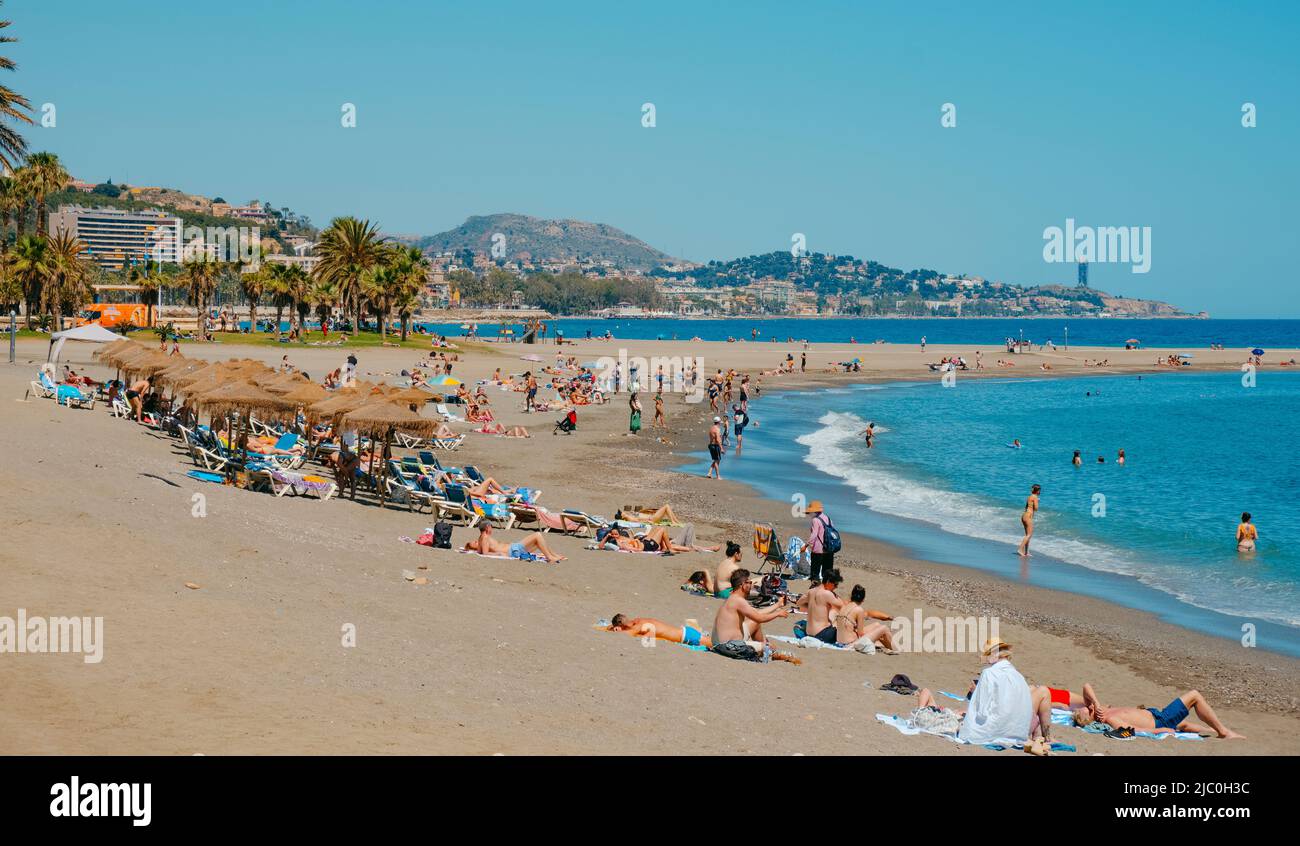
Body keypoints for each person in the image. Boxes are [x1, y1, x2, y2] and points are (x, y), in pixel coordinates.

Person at [1074, 683, 1243, 739]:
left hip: (1154, 713)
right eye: (1087, 710)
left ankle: (1211, 730)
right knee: (1194, 696)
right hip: (1160, 720)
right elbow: (1135, 731)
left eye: (1088, 705)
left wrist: (1095, 702)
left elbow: (1086, 686)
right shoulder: (1110, 720)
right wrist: (1160, 730)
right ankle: (1223, 732)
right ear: (1091, 719)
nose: (1088, 706)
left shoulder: (1100, 709)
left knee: (1183, 725)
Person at [710, 569, 796, 664]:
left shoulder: (734, 598)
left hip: (725, 642)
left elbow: (757, 614)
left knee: (755, 623)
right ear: (742, 585)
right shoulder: (738, 601)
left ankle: (763, 646)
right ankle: (765, 649)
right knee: (771, 647)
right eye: (749, 582)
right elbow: (760, 618)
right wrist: (777, 614)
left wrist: (778, 605)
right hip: (727, 645)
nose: (751, 585)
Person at [958, 638, 1032, 745]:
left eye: (987, 655)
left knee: (963, 728)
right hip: (1019, 733)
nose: (986, 659)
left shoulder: (989, 673)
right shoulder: (1019, 676)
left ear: (995, 655)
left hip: (996, 731)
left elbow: (982, 710)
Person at [461, 524, 566, 563]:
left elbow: (480, 551)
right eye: (491, 527)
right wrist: (498, 554)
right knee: (537, 535)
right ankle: (550, 557)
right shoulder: (484, 538)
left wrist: (471, 548)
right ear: (487, 527)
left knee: (538, 542)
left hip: (513, 549)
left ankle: (553, 555)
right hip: (513, 550)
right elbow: (484, 553)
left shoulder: (483, 539)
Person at [834, 585, 895, 650]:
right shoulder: (859, 610)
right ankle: (896, 649)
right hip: (849, 644)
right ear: (863, 599)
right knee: (884, 628)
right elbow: (861, 633)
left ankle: (890, 646)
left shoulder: (844, 606)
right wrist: (875, 637)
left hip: (839, 643)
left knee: (876, 625)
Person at [607, 614, 711, 648]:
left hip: (686, 637)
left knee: (718, 645)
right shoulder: (639, 620)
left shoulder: (637, 627)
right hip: (686, 632)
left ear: (620, 623)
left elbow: (632, 633)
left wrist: (618, 630)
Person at [798, 569, 845, 644]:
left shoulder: (811, 591)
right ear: (828, 582)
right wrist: (835, 594)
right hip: (822, 634)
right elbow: (844, 608)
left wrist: (811, 608)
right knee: (841, 620)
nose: (836, 587)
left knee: (833, 612)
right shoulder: (827, 594)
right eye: (835, 585)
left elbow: (799, 603)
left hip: (809, 633)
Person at [806, 500, 834, 583]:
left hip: (818, 549)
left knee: (815, 571)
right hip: (829, 548)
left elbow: (814, 535)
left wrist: (806, 545)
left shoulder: (815, 520)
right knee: (827, 571)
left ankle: (815, 585)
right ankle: (827, 586)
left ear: (814, 511)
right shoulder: (828, 519)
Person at [1017, 484, 1040, 557]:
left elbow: (1026, 506)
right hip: (1028, 516)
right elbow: (1036, 508)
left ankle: (1026, 552)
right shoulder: (1035, 497)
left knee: (1027, 535)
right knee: (1029, 535)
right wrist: (1037, 501)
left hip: (1024, 515)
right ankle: (1020, 549)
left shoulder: (1029, 496)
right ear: (1038, 491)